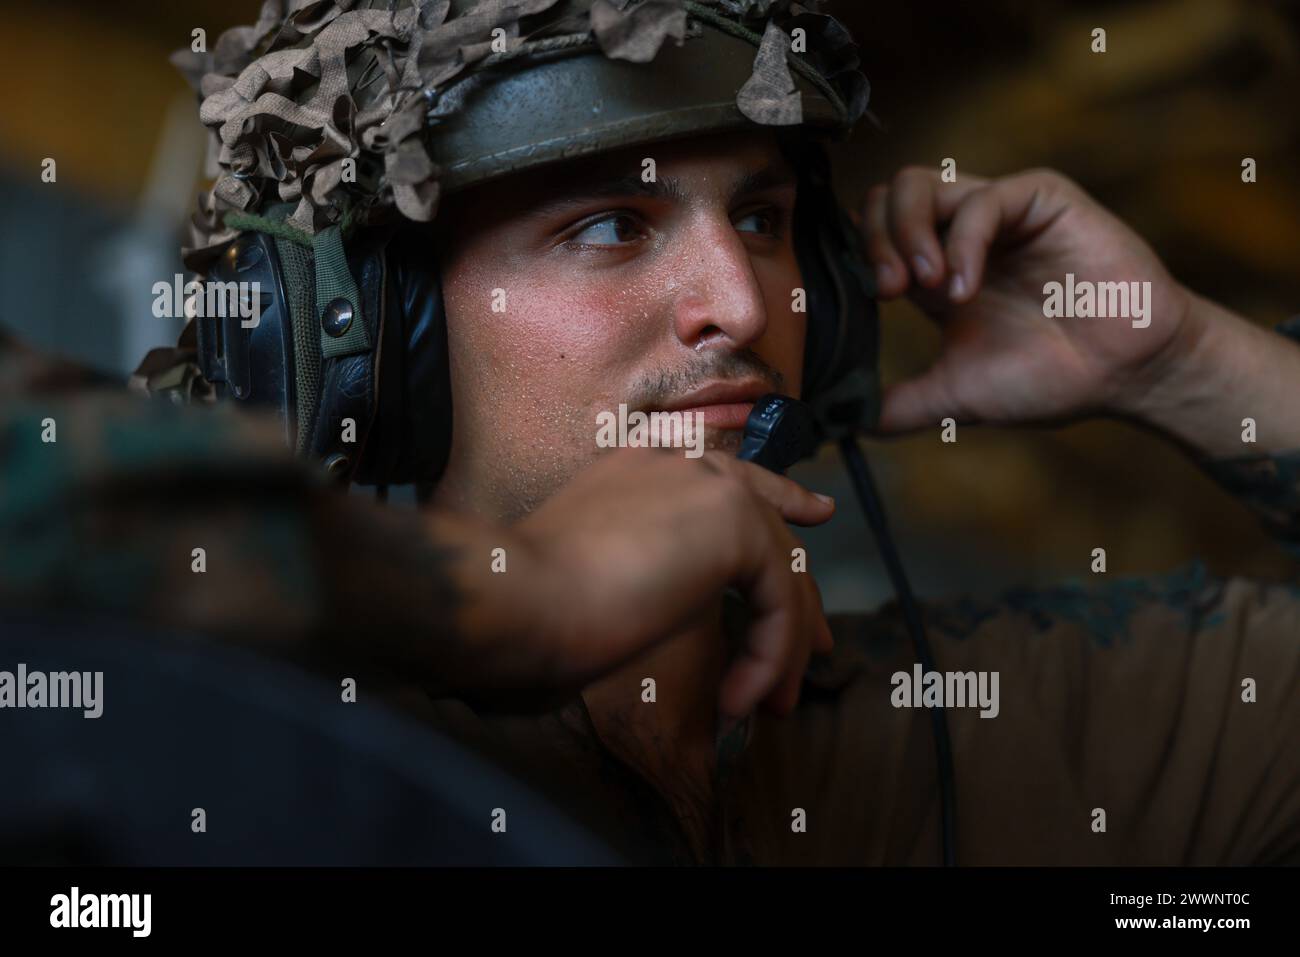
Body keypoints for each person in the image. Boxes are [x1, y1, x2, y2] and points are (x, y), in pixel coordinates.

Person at [6, 0, 1300, 865]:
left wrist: (1180, 358)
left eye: (763, 220)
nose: (740, 304)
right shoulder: (253, 748)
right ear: (362, 340)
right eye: (610, 228)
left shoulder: (1012, 721)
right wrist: (523, 601)